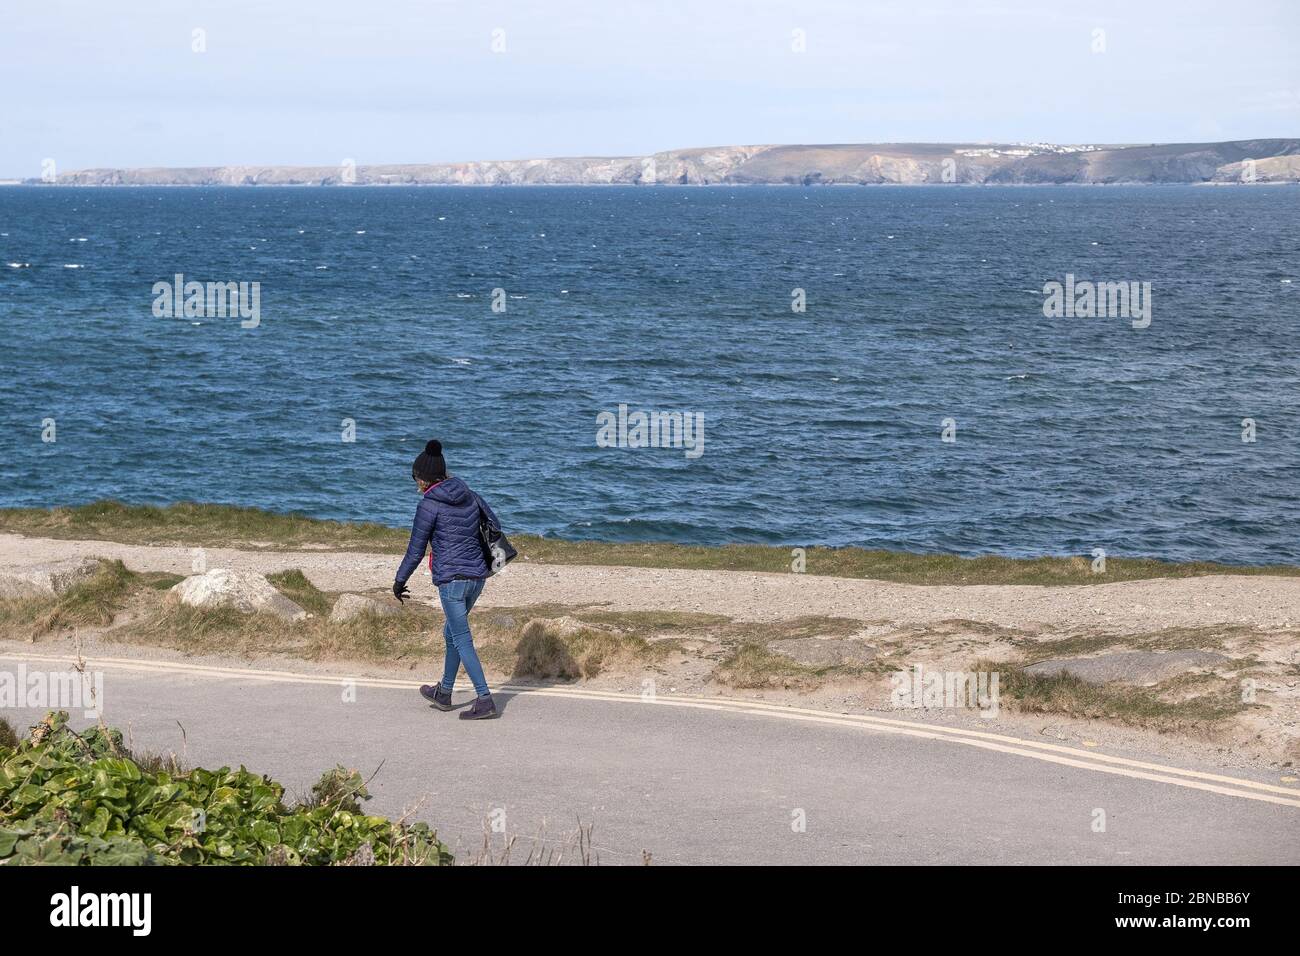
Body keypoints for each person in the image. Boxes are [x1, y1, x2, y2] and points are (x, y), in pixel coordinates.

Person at [393, 439, 502, 720]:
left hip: (452, 580)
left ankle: (485, 698)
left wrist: (399, 580)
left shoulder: (429, 505)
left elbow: (416, 550)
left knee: (462, 637)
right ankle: (444, 691)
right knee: (451, 633)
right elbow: (494, 525)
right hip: (477, 577)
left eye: (415, 477)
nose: (415, 482)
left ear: (423, 479)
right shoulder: (470, 494)